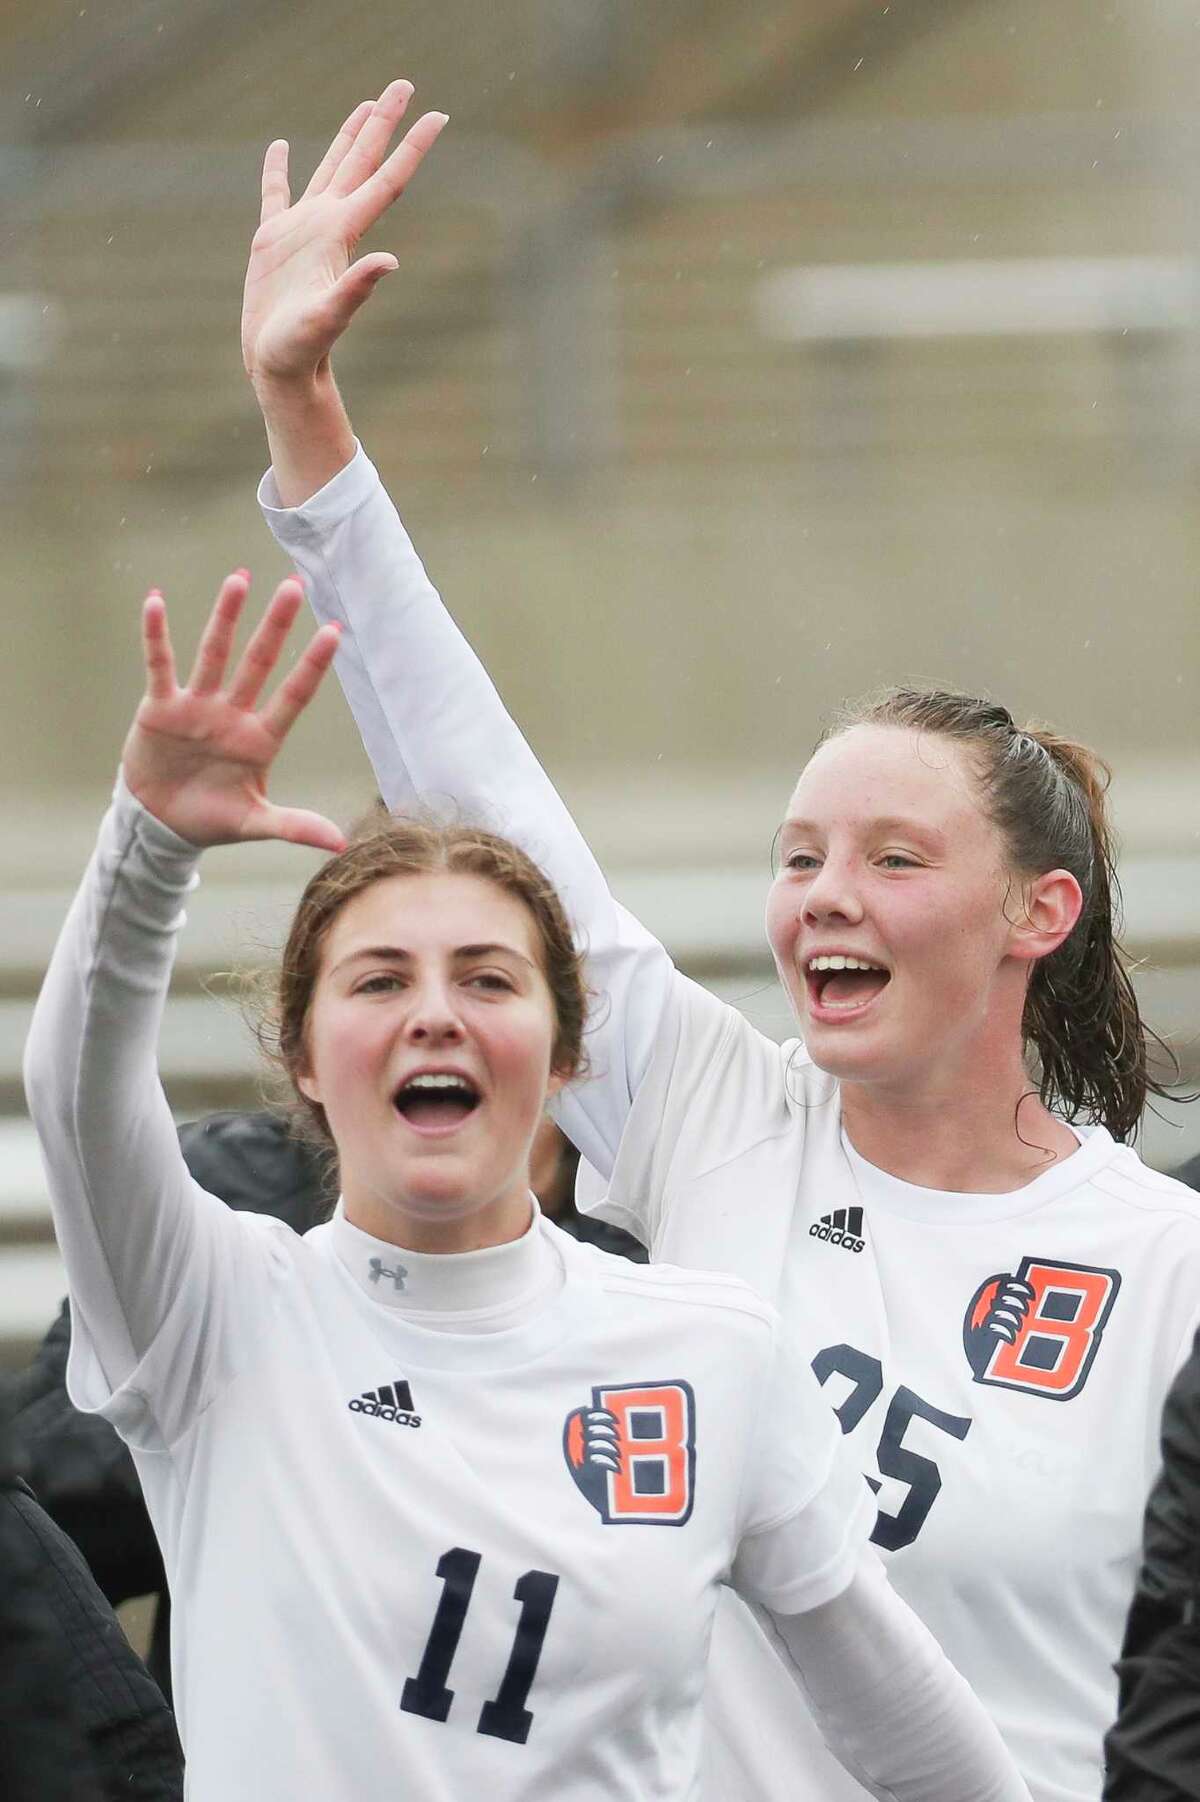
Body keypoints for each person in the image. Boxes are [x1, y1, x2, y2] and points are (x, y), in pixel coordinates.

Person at [241, 80, 1200, 1802]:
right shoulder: (717, 1111)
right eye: (799, 855)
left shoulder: (1166, 1262)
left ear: (1036, 914)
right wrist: (306, 419)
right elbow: (478, 786)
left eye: (892, 857)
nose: (823, 893)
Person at [22, 570, 1032, 1802]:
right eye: (380, 980)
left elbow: (916, 1731)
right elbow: (77, 1093)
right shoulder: (211, 1311)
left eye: (489, 979)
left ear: (564, 1057)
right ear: (304, 1056)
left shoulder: (712, 1348)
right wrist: (148, 843)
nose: (435, 1013)